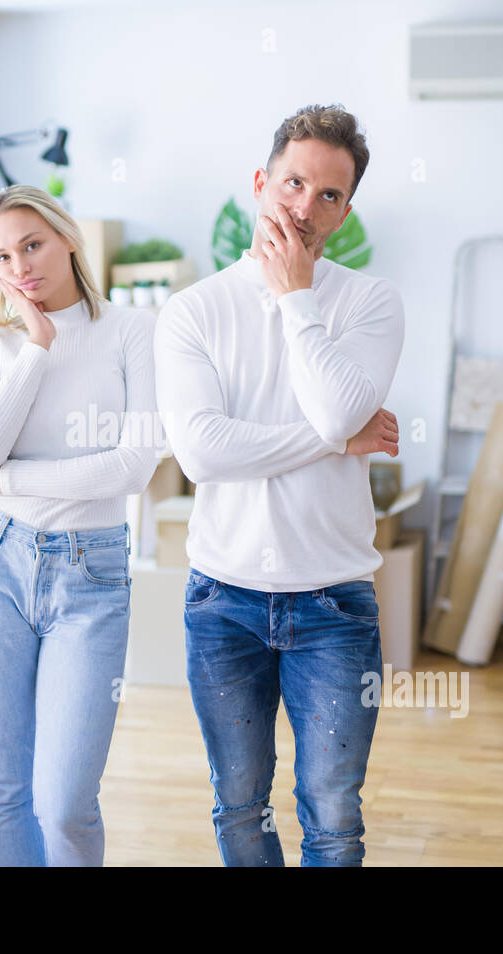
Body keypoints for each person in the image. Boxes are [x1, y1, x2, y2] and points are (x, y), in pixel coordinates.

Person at [153, 104, 405, 866]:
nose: (304, 206)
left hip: (333, 600)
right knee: (240, 807)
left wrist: (297, 296)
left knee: (333, 815)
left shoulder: (369, 302)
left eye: (328, 195)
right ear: (261, 181)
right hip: (221, 599)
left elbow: (334, 405)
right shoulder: (193, 311)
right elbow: (203, 454)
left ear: (347, 210)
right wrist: (333, 440)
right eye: (293, 182)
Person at [0, 185, 159, 866]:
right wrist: (36, 345)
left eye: (31, 244)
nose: (20, 267)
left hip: (90, 573)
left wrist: (13, 480)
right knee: (7, 790)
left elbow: (132, 465)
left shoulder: (133, 330)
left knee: (64, 801)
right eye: (0, 257)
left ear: (68, 237)